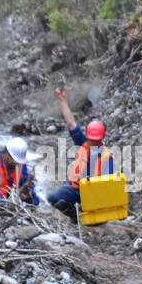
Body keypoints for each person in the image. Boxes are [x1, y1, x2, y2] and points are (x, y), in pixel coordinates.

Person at [50, 85, 115, 221]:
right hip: (76, 189)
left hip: (93, 194)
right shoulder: (84, 143)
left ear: (102, 138)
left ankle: (86, 212)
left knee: (94, 216)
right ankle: (75, 216)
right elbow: (71, 123)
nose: (93, 143)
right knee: (54, 198)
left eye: (96, 140)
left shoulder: (107, 158)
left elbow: (106, 188)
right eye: (91, 139)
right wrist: (63, 101)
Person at [0, 137, 39, 204]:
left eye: (17, 162)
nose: (16, 164)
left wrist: (28, 195)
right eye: (14, 161)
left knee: (35, 200)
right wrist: (8, 204)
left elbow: (25, 184)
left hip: (11, 199)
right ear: (6, 153)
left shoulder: (20, 165)